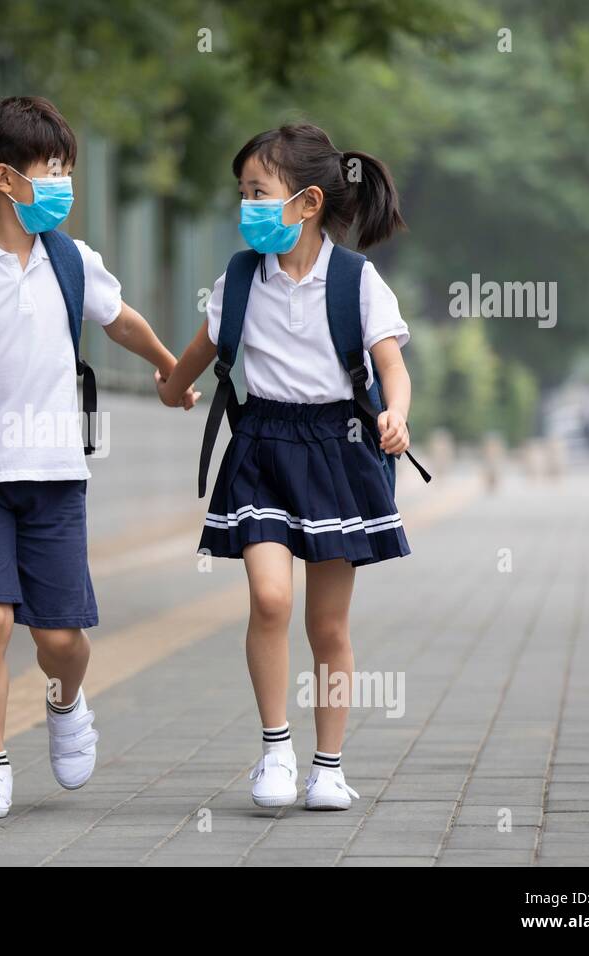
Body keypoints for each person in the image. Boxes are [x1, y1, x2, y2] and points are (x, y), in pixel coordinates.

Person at [0, 96, 196, 819]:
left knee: (61, 638)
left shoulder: (71, 261)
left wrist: (172, 372)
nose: (64, 184)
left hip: (54, 476)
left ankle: (67, 700)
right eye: (53, 170)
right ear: (4, 179)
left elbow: (121, 322)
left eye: (67, 170)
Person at [157, 124, 415, 810]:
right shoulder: (238, 279)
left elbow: (392, 368)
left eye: (257, 192)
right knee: (270, 599)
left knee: (327, 627)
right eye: (241, 192)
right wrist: (171, 383)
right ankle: (275, 750)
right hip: (263, 447)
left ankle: (328, 766)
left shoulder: (358, 283)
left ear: (305, 202)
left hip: (338, 452)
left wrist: (397, 414)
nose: (245, 206)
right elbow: (192, 358)